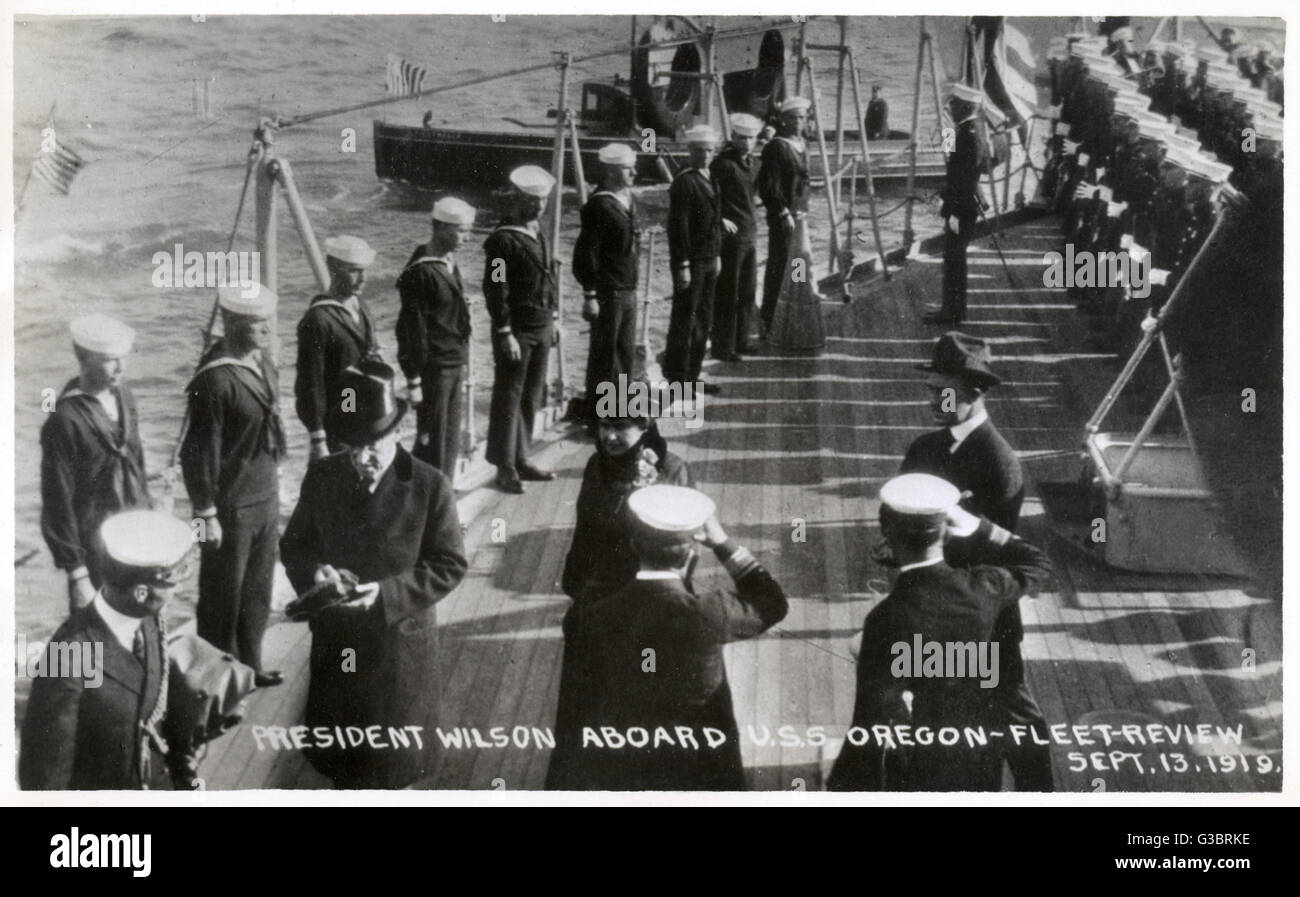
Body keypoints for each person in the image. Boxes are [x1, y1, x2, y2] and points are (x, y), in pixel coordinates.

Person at [280, 358, 468, 789]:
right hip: (339, 646)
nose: (362, 459)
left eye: (373, 446)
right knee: (344, 767)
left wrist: (386, 594)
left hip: (398, 652)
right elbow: (294, 546)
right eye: (352, 447)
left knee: (394, 768)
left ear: (397, 434)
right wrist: (315, 576)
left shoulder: (429, 486)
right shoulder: (322, 476)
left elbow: (450, 563)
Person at [549, 485, 787, 790]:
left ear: (635, 545)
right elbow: (772, 603)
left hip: (622, 761)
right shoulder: (708, 612)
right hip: (698, 763)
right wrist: (723, 544)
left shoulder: (590, 615)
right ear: (691, 552)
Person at [827, 474, 1052, 791]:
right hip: (981, 753)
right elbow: (1036, 561)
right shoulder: (985, 587)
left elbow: (870, 721)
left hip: (923, 759)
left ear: (887, 531)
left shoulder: (886, 618)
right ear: (945, 532)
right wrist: (978, 525)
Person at [900, 332, 1054, 791]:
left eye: (940, 390)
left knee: (1012, 710)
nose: (931, 398)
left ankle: (1039, 793)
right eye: (929, 388)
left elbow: (995, 553)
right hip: (935, 606)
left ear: (974, 392)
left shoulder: (999, 463)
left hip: (986, 616)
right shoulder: (925, 448)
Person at [547, 413, 692, 789]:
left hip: (646, 610)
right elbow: (583, 531)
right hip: (596, 603)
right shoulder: (596, 465)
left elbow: (683, 552)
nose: (609, 436)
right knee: (587, 705)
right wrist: (577, 591)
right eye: (604, 426)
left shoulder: (672, 470)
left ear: (645, 429)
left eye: (620, 428)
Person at [20, 509, 195, 790]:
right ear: (141, 593)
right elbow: (45, 779)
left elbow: (163, 719)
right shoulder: (68, 657)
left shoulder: (150, 621)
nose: (176, 591)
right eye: (173, 581)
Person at [180, 285, 286, 689]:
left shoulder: (262, 364)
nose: (267, 330)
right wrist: (205, 513)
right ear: (233, 325)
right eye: (258, 323)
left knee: (258, 591)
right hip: (231, 507)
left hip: (264, 496)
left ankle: (251, 664)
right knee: (222, 598)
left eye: (267, 321)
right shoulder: (215, 381)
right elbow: (199, 452)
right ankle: (213, 683)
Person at [41, 313, 152, 615]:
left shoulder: (125, 398)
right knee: (98, 635)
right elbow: (57, 502)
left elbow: (137, 466)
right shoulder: (64, 421)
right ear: (84, 358)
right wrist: (77, 574)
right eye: (109, 360)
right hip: (95, 545)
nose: (121, 368)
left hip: (134, 532)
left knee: (142, 621)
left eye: (123, 358)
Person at [482, 165, 559, 494]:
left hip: (541, 325)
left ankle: (522, 455)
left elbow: (548, 276)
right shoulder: (502, 241)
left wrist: (554, 319)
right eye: (533, 200)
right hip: (517, 330)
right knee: (509, 396)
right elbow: (494, 287)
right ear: (518, 199)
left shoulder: (537, 231)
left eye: (543, 200)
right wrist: (504, 331)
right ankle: (505, 465)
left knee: (531, 394)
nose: (539, 206)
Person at [396, 196, 477, 475]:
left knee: (450, 438)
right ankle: (430, 502)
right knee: (434, 440)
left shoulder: (447, 263)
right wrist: (413, 379)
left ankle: (442, 494)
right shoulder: (421, 272)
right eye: (462, 231)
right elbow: (411, 331)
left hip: (454, 361)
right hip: (436, 369)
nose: (467, 238)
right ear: (441, 228)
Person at [296, 235, 381, 461]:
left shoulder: (360, 307)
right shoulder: (318, 320)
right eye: (354, 271)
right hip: (341, 411)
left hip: (365, 410)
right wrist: (318, 438)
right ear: (333, 268)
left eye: (365, 270)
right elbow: (310, 383)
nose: (363, 279)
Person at [573, 143, 640, 421]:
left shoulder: (626, 199)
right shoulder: (599, 206)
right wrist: (589, 293)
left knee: (624, 353)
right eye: (628, 168)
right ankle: (598, 414)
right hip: (609, 291)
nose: (634, 172)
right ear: (612, 172)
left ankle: (619, 409)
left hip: (628, 289)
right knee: (605, 355)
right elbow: (586, 254)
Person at [664, 124, 722, 392]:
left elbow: (715, 220)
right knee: (686, 319)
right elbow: (679, 227)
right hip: (693, 261)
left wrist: (717, 254)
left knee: (703, 318)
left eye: (710, 150)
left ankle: (692, 375)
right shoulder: (685, 181)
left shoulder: (709, 176)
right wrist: (683, 264)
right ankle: (678, 378)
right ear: (689, 150)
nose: (706, 155)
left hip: (709, 257)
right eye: (700, 150)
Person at [925, 83, 988, 326]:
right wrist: (948, 133)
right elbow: (954, 163)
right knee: (954, 258)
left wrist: (953, 213)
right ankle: (952, 308)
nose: (950, 108)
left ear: (964, 106)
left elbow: (962, 177)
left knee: (954, 258)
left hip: (961, 208)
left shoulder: (968, 136)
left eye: (954, 105)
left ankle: (952, 311)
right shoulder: (971, 130)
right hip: (963, 204)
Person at [757, 96, 811, 335]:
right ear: (783, 120)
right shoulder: (776, 147)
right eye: (793, 118)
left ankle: (793, 310)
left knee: (798, 264)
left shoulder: (801, 144)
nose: (798, 122)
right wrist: (782, 212)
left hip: (801, 216)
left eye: (802, 117)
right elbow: (769, 186)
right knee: (779, 265)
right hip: (784, 218)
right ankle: (770, 319)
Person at [710, 113, 762, 361]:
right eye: (743, 138)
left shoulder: (752, 163)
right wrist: (720, 218)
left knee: (747, 290)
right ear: (734, 138)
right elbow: (711, 197)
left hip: (750, 234)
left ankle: (742, 340)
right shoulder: (723, 164)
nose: (748, 143)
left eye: (752, 139)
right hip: (732, 238)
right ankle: (723, 346)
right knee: (728, 292)